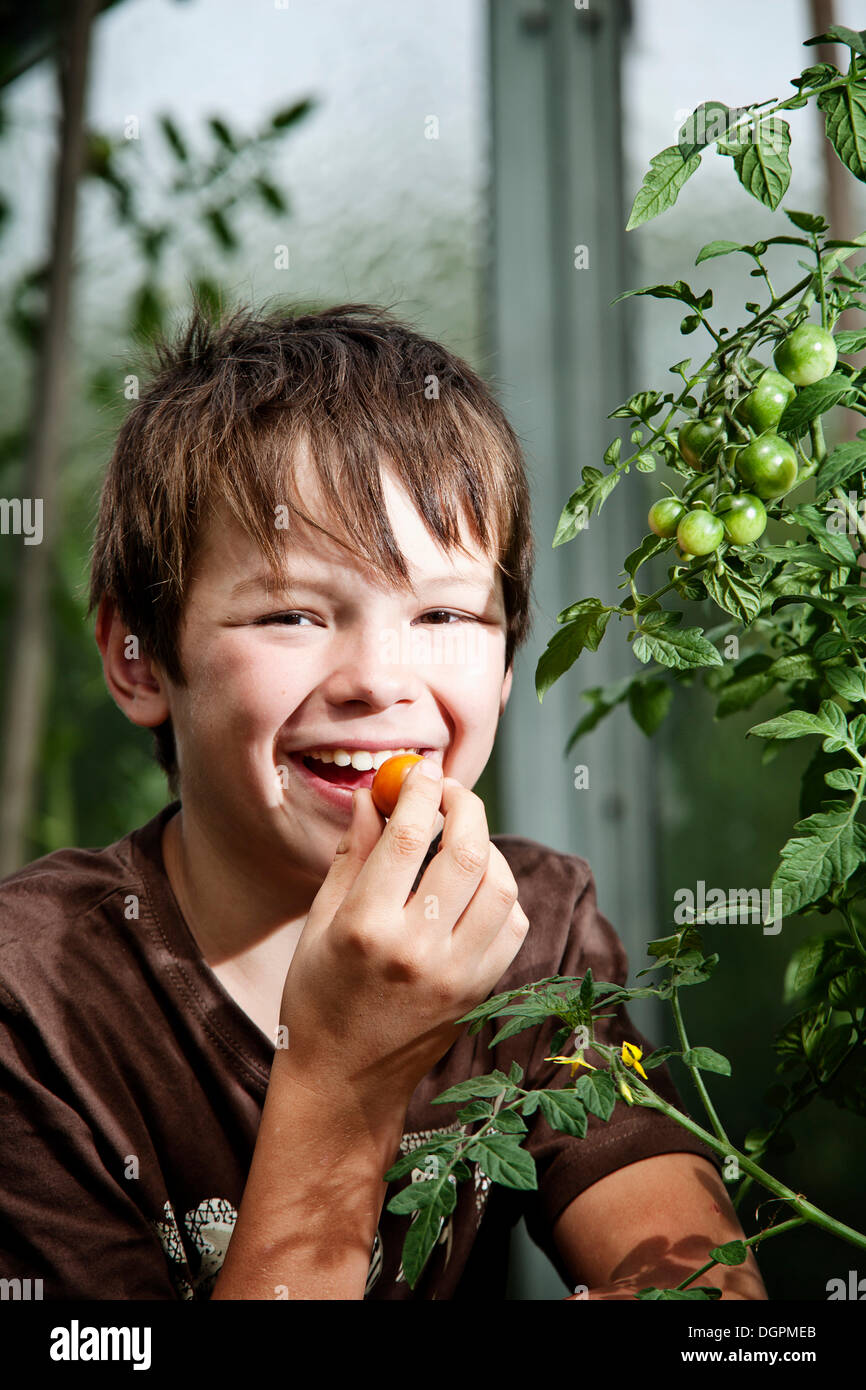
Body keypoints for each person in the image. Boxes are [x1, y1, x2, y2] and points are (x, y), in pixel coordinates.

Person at [0, 302, 767, 1301]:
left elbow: (698, 1286)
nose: (376, 678)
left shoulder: (530, 928)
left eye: (443, 612)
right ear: (138, 658)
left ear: (503, 662)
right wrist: (344, 1078)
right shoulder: (34, 1003)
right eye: (290, 613)